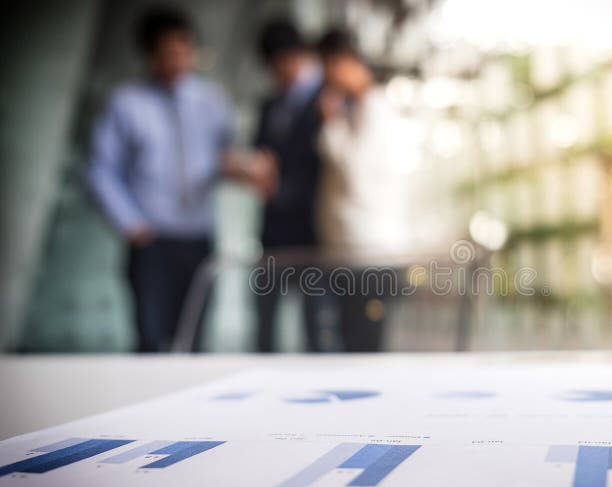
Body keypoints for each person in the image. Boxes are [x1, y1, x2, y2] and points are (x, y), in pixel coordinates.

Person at [87, 6, 274, 352]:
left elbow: (228, 153)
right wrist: (132, 222)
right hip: (152, 237)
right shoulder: (127, 103)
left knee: (196, 338)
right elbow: (101, 170)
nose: (178, 58)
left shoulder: (211, 100)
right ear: (150, 54)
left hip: (198, 236)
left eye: (184, 49)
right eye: (168, 50)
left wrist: (247, 170)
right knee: (151, 336)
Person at [314, 29, 414, 351]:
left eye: (328, 68)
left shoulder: (376, 110)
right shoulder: (360, 108)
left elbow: (357, 175)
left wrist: (332, 124)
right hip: (354, 252)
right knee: (355, 343)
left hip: (369, 253)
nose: (326, 79)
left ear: (345, 63)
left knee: (366, 348)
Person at [252, 18, 328, 352]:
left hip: (313, 233)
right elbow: (261, 154)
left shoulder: (326, 102)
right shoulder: (269, 106)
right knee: (265, 327)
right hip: (272, 233)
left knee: (317, 325)